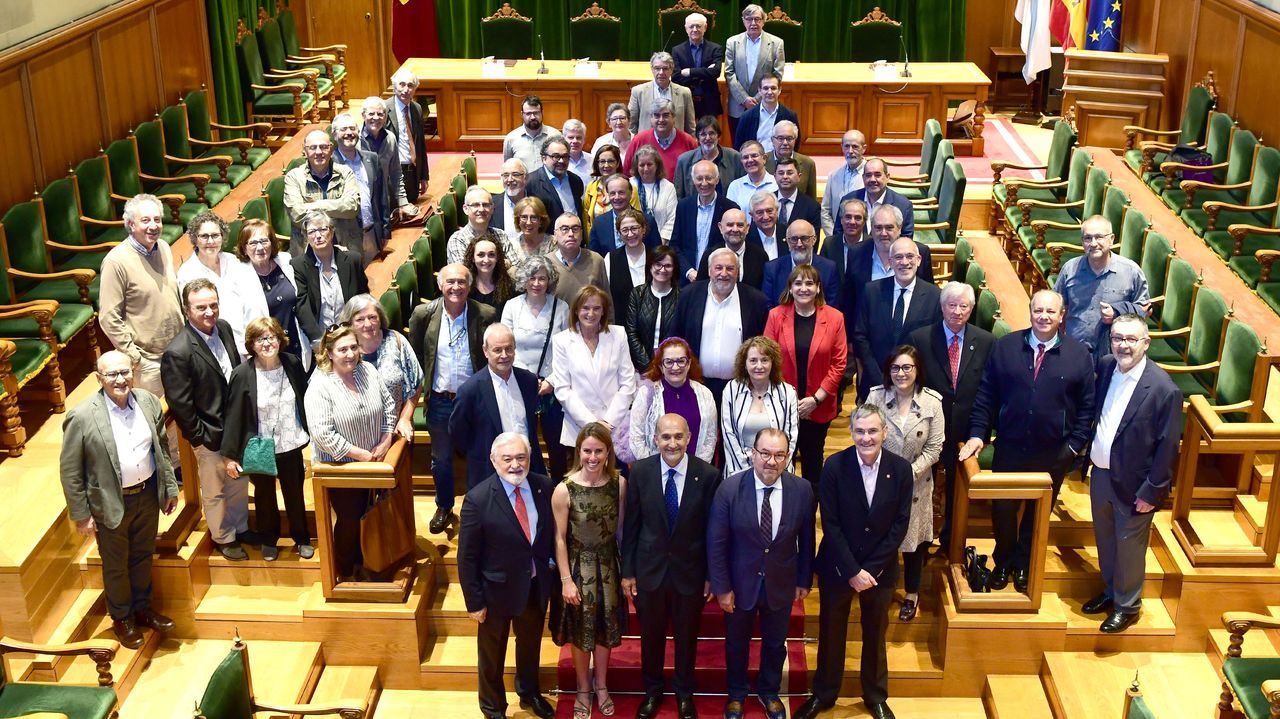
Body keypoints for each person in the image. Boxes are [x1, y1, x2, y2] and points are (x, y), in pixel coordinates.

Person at [959, 290, 1096, 593]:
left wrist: (1073, 446)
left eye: (1051, 311)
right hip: (1009, 446)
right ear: (1030, 312)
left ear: (1062, 316)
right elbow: (986, 395)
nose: (1044, 317)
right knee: (1003, 510)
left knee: (1037, 515)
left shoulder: (1079, 355)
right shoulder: (1006, 347)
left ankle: (1023, 563)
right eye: (1038, 310)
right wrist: (979, 433)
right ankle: (1003, 560)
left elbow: (1087, 406)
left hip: (1053, 451)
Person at [797, 404, 913, 719]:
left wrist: (869, 570)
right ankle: (824, 694)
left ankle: (875, 695)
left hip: (880, 570)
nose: (866, 437)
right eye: (860, 431)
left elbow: (899, 525)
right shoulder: (834, 466)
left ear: (884, 432)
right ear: (851, 432)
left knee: (875, 634)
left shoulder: (901, 470)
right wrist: (852, 570)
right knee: (831, 632)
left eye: (873, 431)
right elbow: (830, 522)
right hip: (838, 567)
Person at [60, 351, 179, 650]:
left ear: (133, 373)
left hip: (147, 495)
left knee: (141, 556)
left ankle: (142, 609)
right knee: (116, 565)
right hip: (110, 502)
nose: (119, 379)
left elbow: (162, 450)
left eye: (124, 372)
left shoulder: (149, 402)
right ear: (99, 379)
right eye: (111, 374)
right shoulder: (83, 415)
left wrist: (168, 488)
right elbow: (71, 470)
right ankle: (122, 619)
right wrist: (81, 514)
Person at [1083, 314, 1182, 633]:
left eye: (1130, 339)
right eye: (1117, 338)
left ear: (1146, 343)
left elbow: (1168, 447)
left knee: (1129, 546)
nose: (1123, 345)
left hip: (1136, 483)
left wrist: (1152, 491)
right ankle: (1111, 591)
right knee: (1106, 538)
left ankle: (1127, 606)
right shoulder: (1106, 366)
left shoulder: (1164, 388)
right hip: (1101, 473)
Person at [707, 428, 812, 719]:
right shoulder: (729, 489)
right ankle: (737, 694)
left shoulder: (801, 489)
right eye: (765, 453)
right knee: (736, 643)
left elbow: (806, 538)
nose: (771, 461)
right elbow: (716, 543)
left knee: (776, 644)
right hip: (739, 586)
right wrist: (722, 587)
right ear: (752, 454)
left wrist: (804, 579)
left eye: (779, 455)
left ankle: (769, 692)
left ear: (787, 457)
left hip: (781, 582)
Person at [621, 413, 721, 719]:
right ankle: (652, 692)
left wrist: (709, 575)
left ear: (689, 438)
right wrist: (627, 572)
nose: (672, 443)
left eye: (678, 436)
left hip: (689, 575)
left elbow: (711, 532)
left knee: (687, 638)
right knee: (650, 638)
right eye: (665, 437)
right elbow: (632, 527)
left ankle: (683, 694)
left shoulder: (708, 476)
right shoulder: (639, 472)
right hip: (649, 573)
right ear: (655, 439)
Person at [458, 433, 557, 719]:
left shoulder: (544, 486)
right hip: (495, 592)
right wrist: (474, 601)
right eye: (508, 459)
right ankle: (493, 708)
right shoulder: (477, 499)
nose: (515, 465)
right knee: (492, 655)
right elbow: (467, 557)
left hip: (534, 585)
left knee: (529, 645)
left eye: (521, 457)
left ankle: (529, 693)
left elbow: (547, 535)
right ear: (494, 461)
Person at [409, 264, 498, 534]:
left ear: (469, 286)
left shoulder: (485, 314)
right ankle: (444, 506)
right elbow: (416, 355)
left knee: (480, 455)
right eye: (450, 282)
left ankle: (478, 508)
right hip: (440, 399)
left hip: (474, 400)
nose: (456, 287)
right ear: (440, 285)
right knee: (441, 459)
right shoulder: (423, 314)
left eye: (461, 282)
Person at [162, 279, 246, 560]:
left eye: (213, 305)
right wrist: (200, 437)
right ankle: (223, 536)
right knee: (214, 490)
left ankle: (241, 528)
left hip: (235, 428)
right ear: (188, 311)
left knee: (238, 482)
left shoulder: (222, 329)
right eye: (201, 307)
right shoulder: (178, 351)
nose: (209, 312)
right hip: (209, 434)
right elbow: (181, 404)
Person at [908, 282, 995, 553]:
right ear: (942, 307)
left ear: (972, 309)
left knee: (959, 491)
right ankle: (919, 542)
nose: (957, 311)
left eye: (964, 306)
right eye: (951, 305)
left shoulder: (987, 341)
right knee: (922, 487)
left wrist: (979, 432)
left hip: (965, 431)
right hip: (928, 429)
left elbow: (988, 391)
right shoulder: (920, 339)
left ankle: (951, 542)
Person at [304, 325, 396, 581]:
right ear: (329, 353)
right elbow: (323, 435)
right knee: (351, 520)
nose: (350, 354)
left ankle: (374, 561)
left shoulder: (368, 371)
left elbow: (389, 406)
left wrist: (386, 439)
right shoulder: (320, 385)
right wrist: (362, 456)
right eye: (342, 349)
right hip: (342, 469)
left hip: (376, 463)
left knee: (375, 516)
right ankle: (345, 570)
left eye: (353, 347)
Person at [552, 423, 628, 719]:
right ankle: (583, 689)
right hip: (577, 569)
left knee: (604, 631)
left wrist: (625, 571)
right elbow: (559, 538)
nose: (593, 457)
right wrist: (566, 580)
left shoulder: (619, 484)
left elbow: (620, 530)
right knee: (582, 633)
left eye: (599, 451)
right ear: (578, 451)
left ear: (608, 451)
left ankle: (602, 685)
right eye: (587, 451)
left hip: (609, 567)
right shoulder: (564, 489)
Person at [220, 318, 312, 562]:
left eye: (271, 337)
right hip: (259, 445)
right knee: (264, 496)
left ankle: (301, 538)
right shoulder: (242, 374)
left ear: (280, 339)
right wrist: (230, 454)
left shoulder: (292, 363)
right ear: (252, 344)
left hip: (291, 443)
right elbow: (234, 415)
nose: (267, 343)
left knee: (295, 494)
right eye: (260, 339)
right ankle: (269, 540)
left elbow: (306, 399)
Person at [864, 346, 944, 622]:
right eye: (896, 368)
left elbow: (934, 449)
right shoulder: (875, 396)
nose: (901, 373)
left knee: (914, 543)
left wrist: (907, 473)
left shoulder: (932, 402)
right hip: (879, 481)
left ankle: (911, 593)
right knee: (881, 538)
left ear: (917, 370)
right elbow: (866, 437)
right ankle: (879, 587)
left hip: (916, 485)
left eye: (907, 367)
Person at [98, 194, 183, 412]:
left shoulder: (163, 247)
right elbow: (108, 317)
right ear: (130, 224)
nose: (153, 226)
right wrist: (135, 357)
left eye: (157, 219)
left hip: (177, 351)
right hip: (148, 362)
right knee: (155, 420)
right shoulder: (116, 261)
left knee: (182, 417)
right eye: (145, 220)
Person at [765, 264, 847, 485]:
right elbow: (767, 360)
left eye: (809, 283)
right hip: (782, 405)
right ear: (790, 288)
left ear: (818, 288)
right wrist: (789, 400)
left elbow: (839, 364)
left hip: (817, 405)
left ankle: (808, 515)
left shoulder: (835, 318)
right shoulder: (775, 316)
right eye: (798, 283)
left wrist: (816, 399)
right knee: (781, 461)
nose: (804, 288)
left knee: (813, 465)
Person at [451, 323, 546, 489]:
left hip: (529, 470)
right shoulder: (470, 391)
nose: (504, 355)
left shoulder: (529, 381)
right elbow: (458, 434)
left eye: (509, 349)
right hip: (489, 474)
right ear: (485, 351)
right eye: (497, 350)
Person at [502, 254, 571, 480]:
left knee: (556, 440)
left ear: (549, 280)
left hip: (553, 385)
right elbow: (505, 347)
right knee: (525, 438)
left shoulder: (561, 307)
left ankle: (559, 483)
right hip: (520, 384)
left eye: (542, 278)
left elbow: (567, 349)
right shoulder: (511, 307)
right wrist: (528, 380)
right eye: (532, 278)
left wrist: (551, 380)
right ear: (524, 279)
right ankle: (531, 482)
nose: (537, 284)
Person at [550, 286, 637, 462]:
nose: (591, 313)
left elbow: (628, 383)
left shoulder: (618, 334)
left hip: (615, 426)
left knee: (617, 484)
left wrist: (608, 423)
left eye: (596, 308)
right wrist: (592, 425)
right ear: (576, 309)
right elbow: (563, 390)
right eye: (585, 308)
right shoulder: (562, 341)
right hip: (579, 427)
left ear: (604, 311)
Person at [674, 247, 769, 403]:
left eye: (730, 268)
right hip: (696, 384)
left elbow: (764, 344)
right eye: (718, 268)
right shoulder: (689, 295)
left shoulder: (755, 300)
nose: (724, 273)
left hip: (741, 387)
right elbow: (676, 336)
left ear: (737, 272)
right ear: (710, 271)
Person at [853, 235, 942, 400]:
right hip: (875, 384)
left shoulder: (935, 296)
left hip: (916, 388)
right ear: (891, 261)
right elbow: (860, 336)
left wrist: (910, 380)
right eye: (898, 257)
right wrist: (879, 378)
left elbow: (934, 344)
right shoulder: (871, 291)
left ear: (919, 260)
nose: (904, 262)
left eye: (910, 256)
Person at [1055, 215, 1151, 360]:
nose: (1093, 243)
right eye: (1088, 238)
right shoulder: (1070, 269)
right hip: (1074, 353)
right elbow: (1059, 308)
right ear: (1082, 242)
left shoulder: (1131, 271)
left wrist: (1118, 313)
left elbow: (1145, 310)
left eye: (1099, 237)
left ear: (1111, 239)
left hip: (1115, 356)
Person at [179, 211, 267, 358]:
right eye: (204, 236)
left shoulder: (234, 261)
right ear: (195, 239)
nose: (210, 241)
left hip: (251, 339)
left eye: (215, 235)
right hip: (218, 347)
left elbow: (255, 299)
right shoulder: (187, 273)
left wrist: (256, 337)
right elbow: (198, 317)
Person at [842, 205, 936, 337]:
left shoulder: (919, 252)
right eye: (878, 228)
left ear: (899, 228)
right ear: (871, 229)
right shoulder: (857, 253)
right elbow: (849, 300)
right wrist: (851, 340)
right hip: (868, 338)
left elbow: (929, 298)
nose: (883, 233)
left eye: (889, 227)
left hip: (911, 338)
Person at [341, 293, 423, 443]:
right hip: (355, 438)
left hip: (396, 433)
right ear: (349, 323)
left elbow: (415, 384)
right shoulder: (342, 351)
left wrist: (405, 419)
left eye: (372, 317)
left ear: (380, 318)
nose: (368, 324)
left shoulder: (396, 341)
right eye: (360, 319)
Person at [629, 338, 718, 463]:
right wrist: (654, 469)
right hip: (655, 473)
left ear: (689, 363)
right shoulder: (646, 394)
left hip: (694, 473)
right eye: (669, 362)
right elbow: (636, 438)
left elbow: (710, 438)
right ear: (660, 365)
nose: (675, 367)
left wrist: (697, 470)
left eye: (681, 361)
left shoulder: (705, 394)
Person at [720, 337, 799, 475]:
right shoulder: (731, 390)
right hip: (738, 470)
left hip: (776, 468)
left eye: (764, 360)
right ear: (744, 364)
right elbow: (728, 433)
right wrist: (746, 472)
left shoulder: (788, 393)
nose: (759, 366)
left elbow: (791, 436)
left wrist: (775, 467)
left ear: (772, 363)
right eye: (753, 360)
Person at [294, 211, 369, 352]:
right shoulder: (298, 266)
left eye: (323, 229)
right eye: (312, 232)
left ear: (332, 232)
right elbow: (302, 308)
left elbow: (363, 298)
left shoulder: (353, 260)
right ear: (306, 237)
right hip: (320, 342)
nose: (318, 236)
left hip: (352, 338)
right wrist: (318, 342)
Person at [237, 219, 306, 362]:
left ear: (272, 243)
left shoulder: (286, 261)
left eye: (264, 241)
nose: (260, 247)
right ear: (244, 248)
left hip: (296, 345)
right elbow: (235, 323)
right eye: (253, 243)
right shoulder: (237, 276)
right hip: (265, 353)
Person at [282, 129, 360, 255]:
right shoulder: (293, 177)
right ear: (305, 150)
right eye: (313, 147)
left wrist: (314, 206)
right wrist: (337, 206)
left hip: (345, 247)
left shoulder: (346, 173)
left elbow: (352, 207)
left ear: (331, 149)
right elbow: (297, 214)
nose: (318, 152)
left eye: (323, 147)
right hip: (307, 250)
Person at [331, 112, 388, 265]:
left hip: (371, 234)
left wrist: (384, 231)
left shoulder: (372, 158)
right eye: (343, 130)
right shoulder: (330, 166)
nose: (349, 133)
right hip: (346, 239)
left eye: (352, 128)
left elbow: (382, 197)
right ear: (334, 135)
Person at [724, 3, 785, 141]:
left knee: (764, 144)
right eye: (749, 19)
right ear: (743, 20)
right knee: (738, 144)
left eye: (757, 19)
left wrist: (758, 98)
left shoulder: (776, 43)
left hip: (764, 103)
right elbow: (729, 73)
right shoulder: (732, 42)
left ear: (764, 21)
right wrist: (744, 99)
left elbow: (777, 74)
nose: (753, 23)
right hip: (738, 105)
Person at [672, 159, 739, 284]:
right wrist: (688, 271)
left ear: (717, 179)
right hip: (687, 280)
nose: (704, 183)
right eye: (699, 178)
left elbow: (733, 245)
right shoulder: (683, 206)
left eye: (709, 178)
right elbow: (675, 245)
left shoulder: (729, 207)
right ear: (693, 181)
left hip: (719, 278)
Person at [359, 96, 419, 227]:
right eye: (371, 114)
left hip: (385, 201)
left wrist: (403, 202)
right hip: (362, 205)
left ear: (385, 116)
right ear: (363, 115)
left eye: (380, 114)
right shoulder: (355, 142)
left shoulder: (390, 139)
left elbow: (396, 173)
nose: (376, 118)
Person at [625, 246, 681, 372]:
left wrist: (668, 364)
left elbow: (683, 335)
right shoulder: (638, 294)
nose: (662, 269)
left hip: (673, 366)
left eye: (668, 266)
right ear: (650, 266)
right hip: (641, 367)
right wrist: (648, 367)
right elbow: (631, 332)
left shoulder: (682, 297)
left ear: (674, 269)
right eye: (658, 265)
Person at [762, 219, 839, 310]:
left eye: (804, 238)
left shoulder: (829, 268)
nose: (799, 244)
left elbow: (832, 307)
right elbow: (767, 306)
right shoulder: (772, 268)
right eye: (794, 239)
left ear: (814, 240)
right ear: (787, 241)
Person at [837, 158, 915, 239]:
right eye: (868, 175)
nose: (872, 179)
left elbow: (906, 240)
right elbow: (838, 234)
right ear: (863, 178)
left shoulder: (903, 205)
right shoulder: (848, 200)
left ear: (887, 177)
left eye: (877, 175)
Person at [622, 98, 697, 180]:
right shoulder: (639, 140)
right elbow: (626, 173)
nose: (661, 120)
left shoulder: (689, 142)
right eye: (657, 115)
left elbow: (697, 172)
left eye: (665, 115)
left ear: (674, 117)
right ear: (651, 118)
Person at [587, 174, 660, 255]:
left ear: (631, 193)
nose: (617, 197)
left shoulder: (648, 220)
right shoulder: (599, 223)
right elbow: (594, 256)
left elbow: (657, 254)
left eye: (621, 192)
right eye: (612, 193)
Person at [385, 68, 429, 203]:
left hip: (412, 173)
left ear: (415, 89)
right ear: (394, 87)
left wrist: (423, 176)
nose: (406, 89)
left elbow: (420, 144)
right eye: (402, 84)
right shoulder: (384, 109)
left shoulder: (417, 109)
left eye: (410, 85)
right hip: (392, 173)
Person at [672, 12, 725, 123]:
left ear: (705, 28)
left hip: (709, 101)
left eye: (698, 26)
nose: (695, 29)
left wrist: (689, 72)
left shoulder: (716, 48)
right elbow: (676, 77)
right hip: (685, 100)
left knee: (708, 136)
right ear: (686, 29)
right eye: (691, 26)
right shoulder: (677, 50)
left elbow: (715, 72)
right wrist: (705, 72)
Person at [695, 209, 769, 288]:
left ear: (747, 228)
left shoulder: (760, 256)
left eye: (740, 225)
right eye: (730, 225)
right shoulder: (710, 255)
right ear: (720, 228)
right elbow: (700, 288)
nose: (735, 229)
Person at [673, 116, 744, 199]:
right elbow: (678, 195)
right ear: (698, 138)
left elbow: (742, 190)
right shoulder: (684, 161)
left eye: (711, 133)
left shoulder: (735, 157)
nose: (707, 138)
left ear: (718, 136)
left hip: (728, 210)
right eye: (703, 134)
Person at [628, 51, 696, 135]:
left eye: (665, 68)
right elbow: (631, 124)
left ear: (671, 69)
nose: (661, 72)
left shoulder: (684, 93)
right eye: (657, 68)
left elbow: (690, 128)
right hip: (646, 145)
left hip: (676, 145)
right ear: (652, 69)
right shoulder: (638, 92)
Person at [549, 212, 608, 305]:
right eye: (565, 229)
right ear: (555, 234)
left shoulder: (596, 260)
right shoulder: (546, 263)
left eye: (575, 229)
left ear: (581, 233)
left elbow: (606, 300)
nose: (571, 234)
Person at [448, 186, 515, 265]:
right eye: (476, 205)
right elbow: (464, 273)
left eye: (485, 205)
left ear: (492, 208)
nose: (481, 209)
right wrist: (504, 263)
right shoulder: (458, 240)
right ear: (465, 209)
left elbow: (517, 269)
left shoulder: (500, 235)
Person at [733, 74, 797, 156]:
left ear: (779, 90)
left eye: (773, 88)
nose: (769, 92)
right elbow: (739, 145)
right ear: (759, 91)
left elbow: (795, 143)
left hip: (781, 163)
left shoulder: (790, 116)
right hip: (754, 163)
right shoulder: (746, 117)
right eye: (766, 88)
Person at [605, 209, 652, 317]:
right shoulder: (610, 259)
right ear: (619, 234)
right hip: (621, 326)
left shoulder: (656, 257)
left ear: (643, 229)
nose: (630, 234)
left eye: (634, 228)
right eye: (625, 230)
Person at [820, 130, 868, 237]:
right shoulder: (833, 176)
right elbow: (825, 211)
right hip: (837, 239)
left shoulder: (872, 176)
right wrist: (834, 237)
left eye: (855, 147)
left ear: (864, 148)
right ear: (842, 147)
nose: (850, 151)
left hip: (865, 240)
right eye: (847, 146)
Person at [527, 137, 586, 220]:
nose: (561, 161)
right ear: (544, 159)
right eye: (556, 156)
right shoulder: (530, 182)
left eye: (565, 156)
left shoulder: (576, 181)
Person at [582, 145, 634, 238]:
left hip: (624, 239)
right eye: (602, 161)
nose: (606, 165)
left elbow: (635, 217)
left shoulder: (628, 187)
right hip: (598, 240)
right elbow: (587, 220)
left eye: (610, 161)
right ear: (597, 164)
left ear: (618, 163)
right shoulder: (591, 187)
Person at [503, 95, 561, 175]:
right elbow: (507, 170)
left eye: (536, 113)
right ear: (522, 114)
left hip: (551, 185)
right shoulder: (511, 138)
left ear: (542, 112)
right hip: (523, 186)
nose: (533, 117)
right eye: (528, 113)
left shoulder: (555, 136)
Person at [630, 145, 678, 242]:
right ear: (636, 166)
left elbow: (673, 217)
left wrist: (661, 241)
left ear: (657, 165)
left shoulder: (668, 187)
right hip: (632, 241)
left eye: (649, 164)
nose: (646, 169)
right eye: (642, 165)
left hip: (661, 243)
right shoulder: (629, 185)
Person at [464, 236, 516, 315]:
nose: (486, 260)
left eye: (491, 255)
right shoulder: (464, 285)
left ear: (497, 258)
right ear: (473, 258)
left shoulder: (510, 286)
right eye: (481, 255)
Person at [764, 121, 816, 199]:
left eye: (789, 139)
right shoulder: (762, 162)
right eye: (780, 138)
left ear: (795, 140)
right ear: (772, 140)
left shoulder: (808, 164)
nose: (785, 143)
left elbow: (811, 199)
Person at [773, 156, 822, 236]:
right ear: (775, 177)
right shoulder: (767, 201)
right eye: (781, 173)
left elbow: (814, 240)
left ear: (799, 176)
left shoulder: (812, 207)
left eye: (790, 173)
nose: (785, 177)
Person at [725, 141, 777, 211]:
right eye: (745, 157)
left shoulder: (776, 183)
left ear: (764, 158)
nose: (750, 160)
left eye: (754, 156)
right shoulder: (735, 186)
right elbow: (731, 215)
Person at [508, 196, 556, 264]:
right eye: (524, 217)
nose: (528, 222)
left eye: (534, 217)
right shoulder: (511, 245)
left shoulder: (553, 243)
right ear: (518, 220)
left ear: (541, 221)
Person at [491, 159, 529, 236]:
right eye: (506, 175)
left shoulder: (539, 202)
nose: (510, 179)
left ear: (525, 178)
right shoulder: (491, 204)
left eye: (515, 174)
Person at [745, 191, 782, 263]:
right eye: (760, 212)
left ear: (777, 211)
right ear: (752, 215)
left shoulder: (787, 234)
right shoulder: (746, 239)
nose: (765, 217)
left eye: (769, 211)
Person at [562, 118, 595, 185]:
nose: (575, 141)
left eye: (579, 138)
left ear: (584, 140)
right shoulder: (558, 162)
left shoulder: (593, 160)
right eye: (571, 137)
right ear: (563, 139)